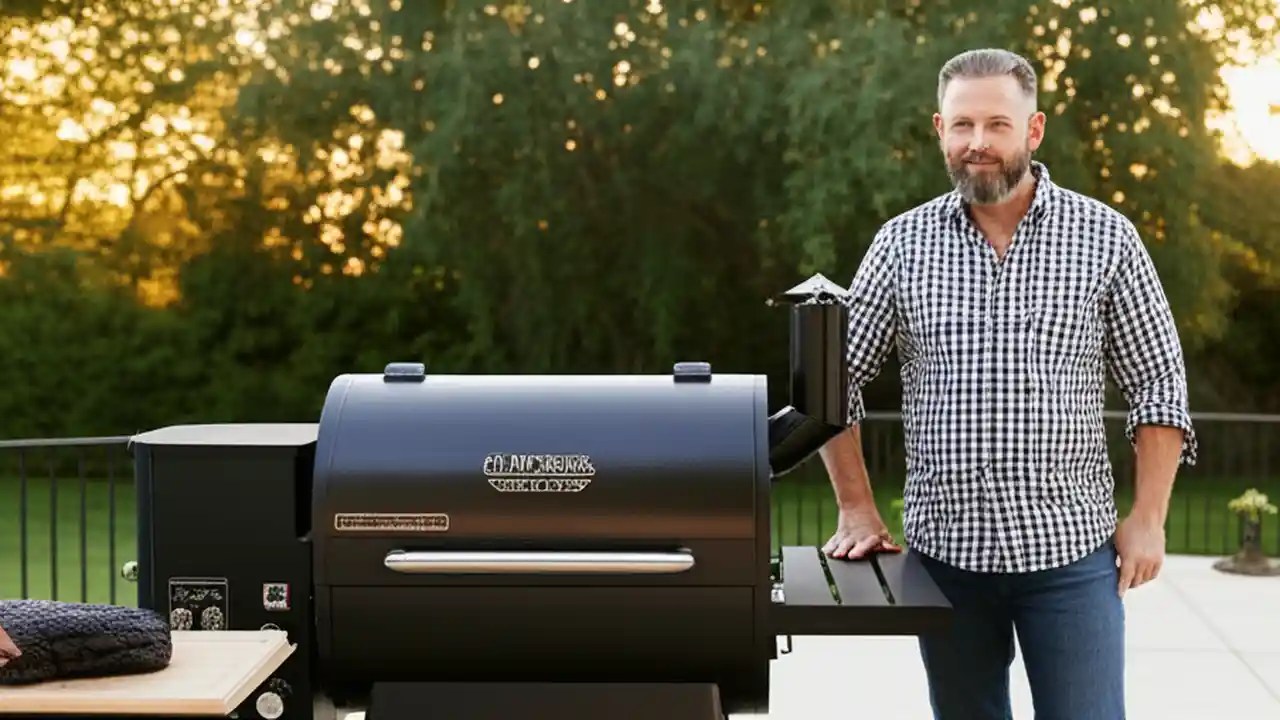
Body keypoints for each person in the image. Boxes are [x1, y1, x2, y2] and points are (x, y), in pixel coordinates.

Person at [818, 47, 1196, 720]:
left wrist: (1148, 519)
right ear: (940, 130)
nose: (978, 144)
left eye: (997, 125)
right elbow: (831, 381)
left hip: (1071, 559)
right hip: (946, 558)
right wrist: (855, 507)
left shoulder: (1106, 238)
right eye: (962, 126)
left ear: (1034, 129)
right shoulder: (901, 245)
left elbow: (1159, 381)